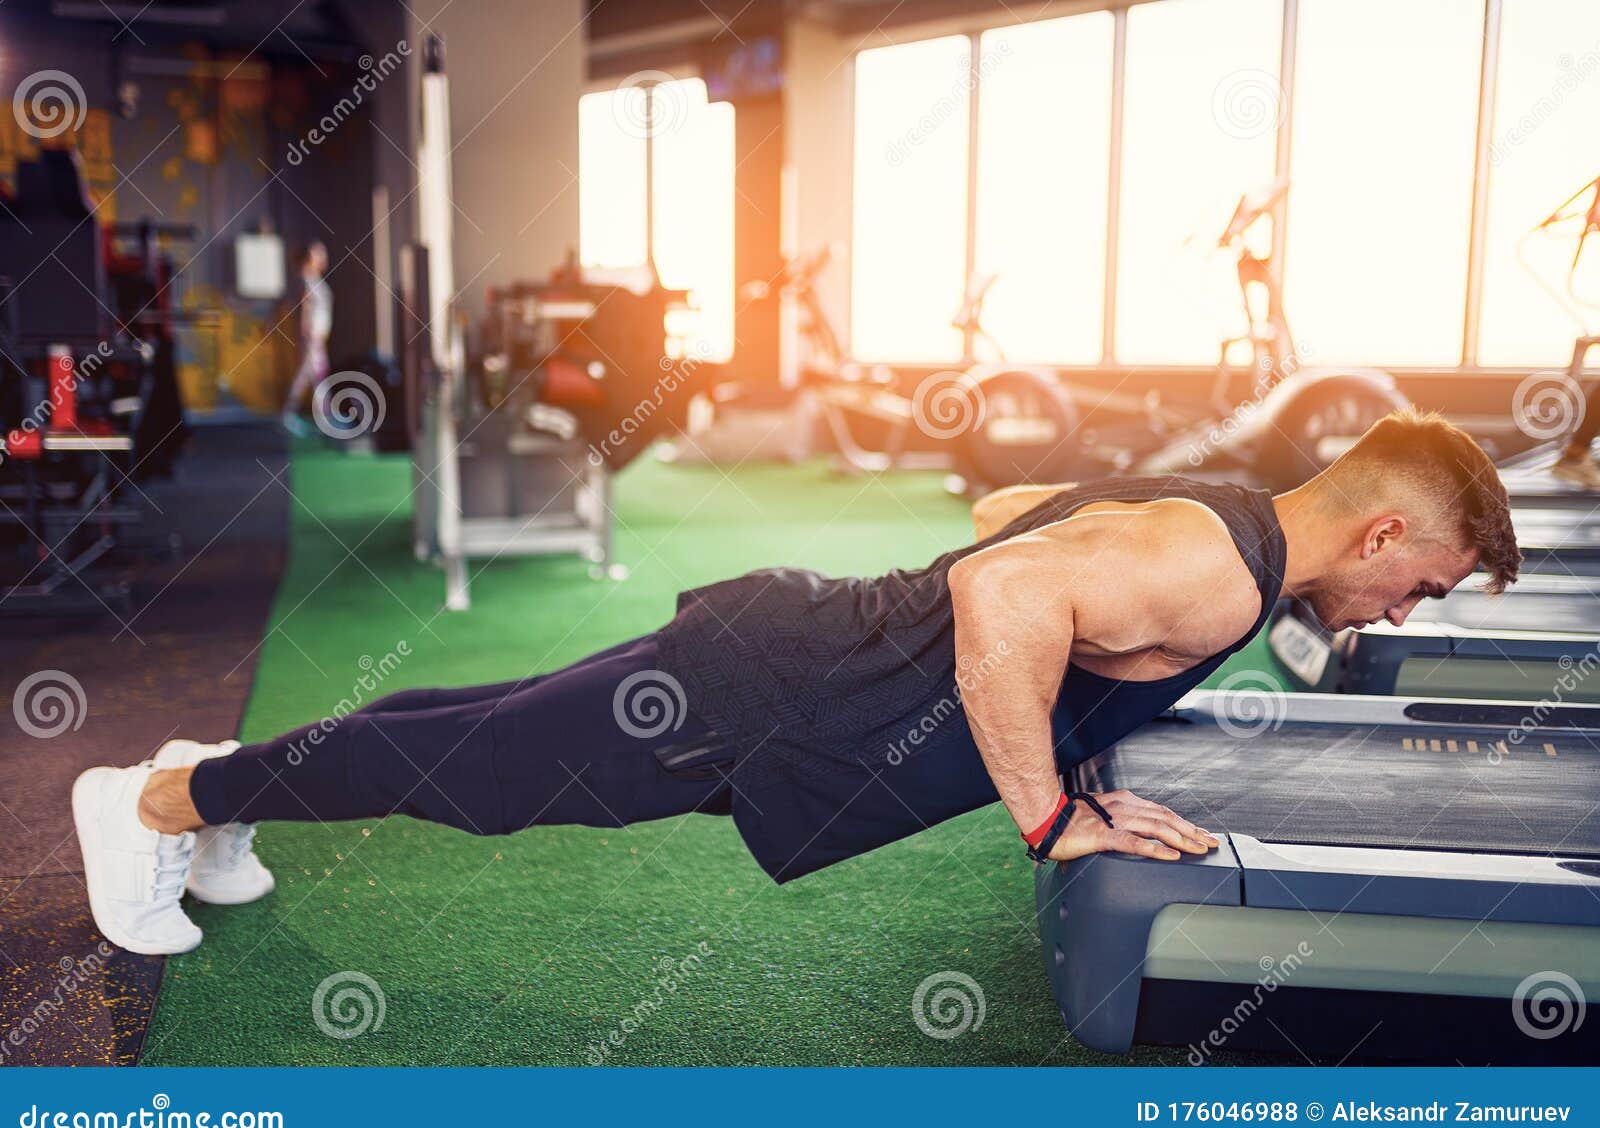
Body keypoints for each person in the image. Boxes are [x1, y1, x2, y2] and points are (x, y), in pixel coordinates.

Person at [72, 409, 1519, 955]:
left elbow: (1014, 508)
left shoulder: (1218, 509)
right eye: (1427, 580)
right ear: (1386, 528)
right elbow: (1005, 585)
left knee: (477, 728)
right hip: (775, 696)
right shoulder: (1224, 574)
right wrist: (1050, 815)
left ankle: (215, 788)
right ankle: (152, 800)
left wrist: (1075, 733)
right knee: (480, 774)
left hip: (784, 650)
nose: (1408, 606)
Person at [279, 241, 332, 436]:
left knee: (309, 378)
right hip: (313, 339)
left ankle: (291, 414)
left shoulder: (314, 279)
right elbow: (305, 310)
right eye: (319, 254)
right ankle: (323, 417)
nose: (323, 258)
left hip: (316, 338)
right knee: (316, 377)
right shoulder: (308, 280)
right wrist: (311, 338)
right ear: (310, 258)